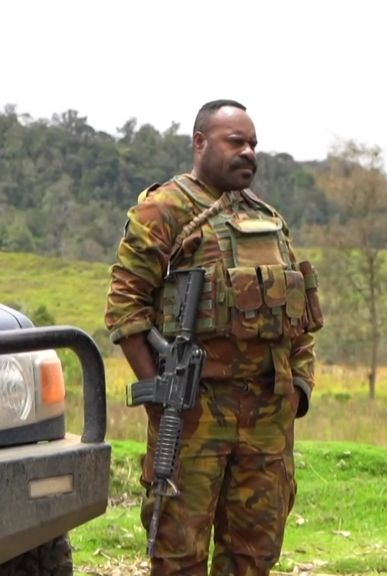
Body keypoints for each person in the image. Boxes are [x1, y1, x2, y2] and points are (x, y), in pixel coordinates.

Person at [105, 99, 323, 574]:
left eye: (253, 144)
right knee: (179, 553)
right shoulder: (164, 210)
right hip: (192, 411)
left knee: (254, 552)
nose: (248, 152)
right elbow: (125, 311)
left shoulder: (268, 219)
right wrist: (159, 401)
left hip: (268, 415)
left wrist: (299, 390)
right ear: (200, 143)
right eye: (236, 141)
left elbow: (301, 313)